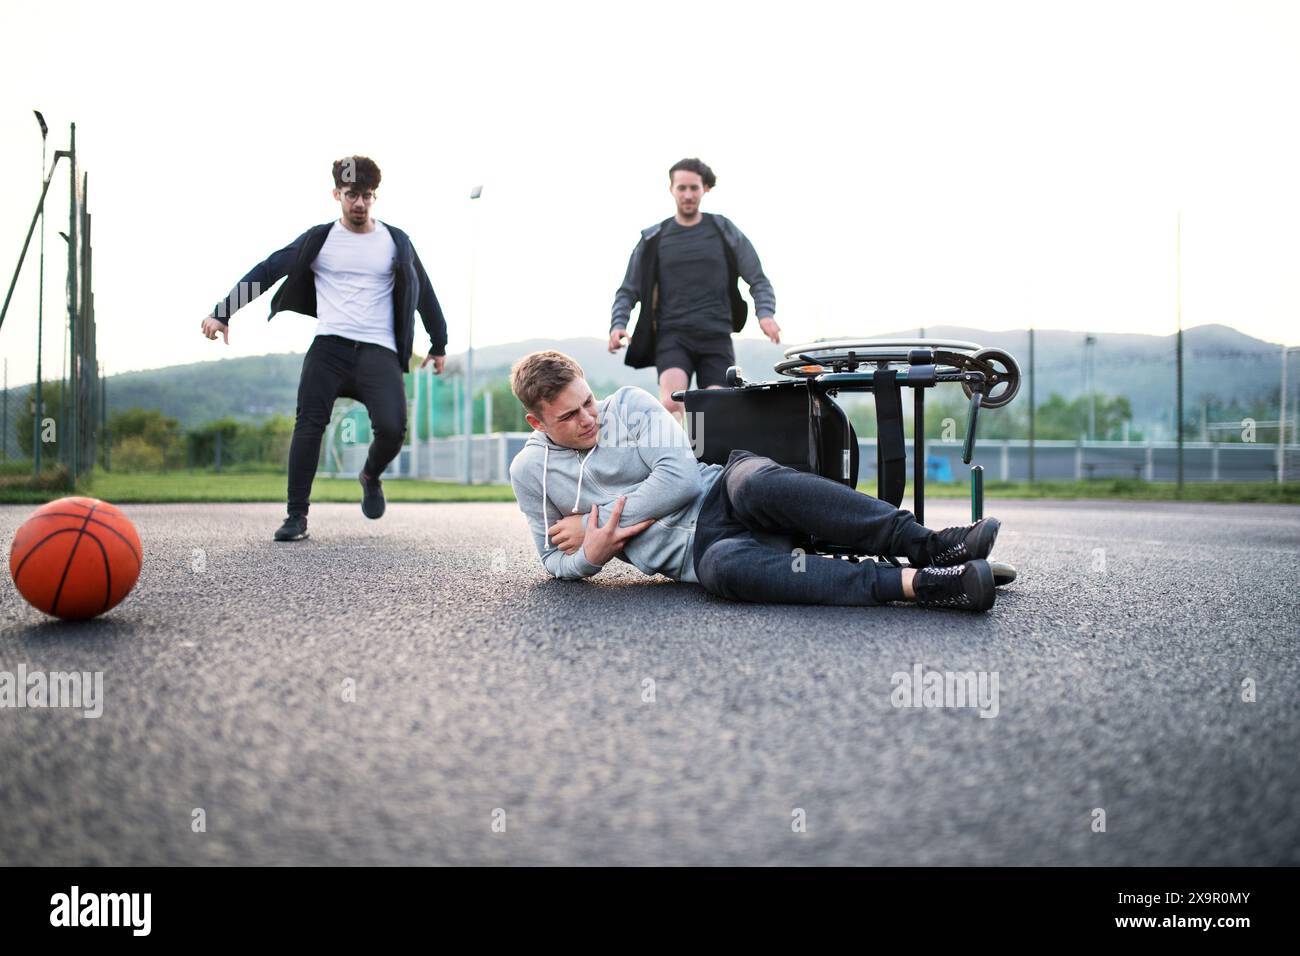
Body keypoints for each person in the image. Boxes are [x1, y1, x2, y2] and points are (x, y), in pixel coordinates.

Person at [507, 350, 1003, 612]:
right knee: (724, 573)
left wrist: (595, 525)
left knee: (754, 482)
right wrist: (592, 555)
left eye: (588, 401)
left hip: (722, 488)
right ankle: (928, 585)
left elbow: (680, 480)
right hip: (699, 553)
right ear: (537, 422)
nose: (589, 418)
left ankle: (932, 545)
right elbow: (553, 560)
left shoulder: (630, 405)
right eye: (569, 416)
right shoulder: (530, 472)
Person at [200, 156, 448, 541]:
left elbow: (424, 292)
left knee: (392, 428)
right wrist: (223, 312)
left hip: (379, 352)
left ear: (375, 196)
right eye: (352, 194)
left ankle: (370, 475)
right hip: (329, 349)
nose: (360, 203)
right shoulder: (320, 239)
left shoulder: (395, 241)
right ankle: (296, 516)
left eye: (367, 195)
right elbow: (267, 270)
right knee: (309, 424)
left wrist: (438, 343)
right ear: (337, 194)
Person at [608, 158, 780, 419]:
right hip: (673, 335)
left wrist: (765, 314)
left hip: (716, 335)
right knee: (671, 402)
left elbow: (757, 278)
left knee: (715, 406)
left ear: (705, 188)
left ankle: (704, 446)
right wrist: (618, 323)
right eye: (682, 188)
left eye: (694, 188)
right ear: (671, 189)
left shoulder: (723, 230)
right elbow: (628, 289)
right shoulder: (655, 237)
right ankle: (677, 446)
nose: (688, 195)